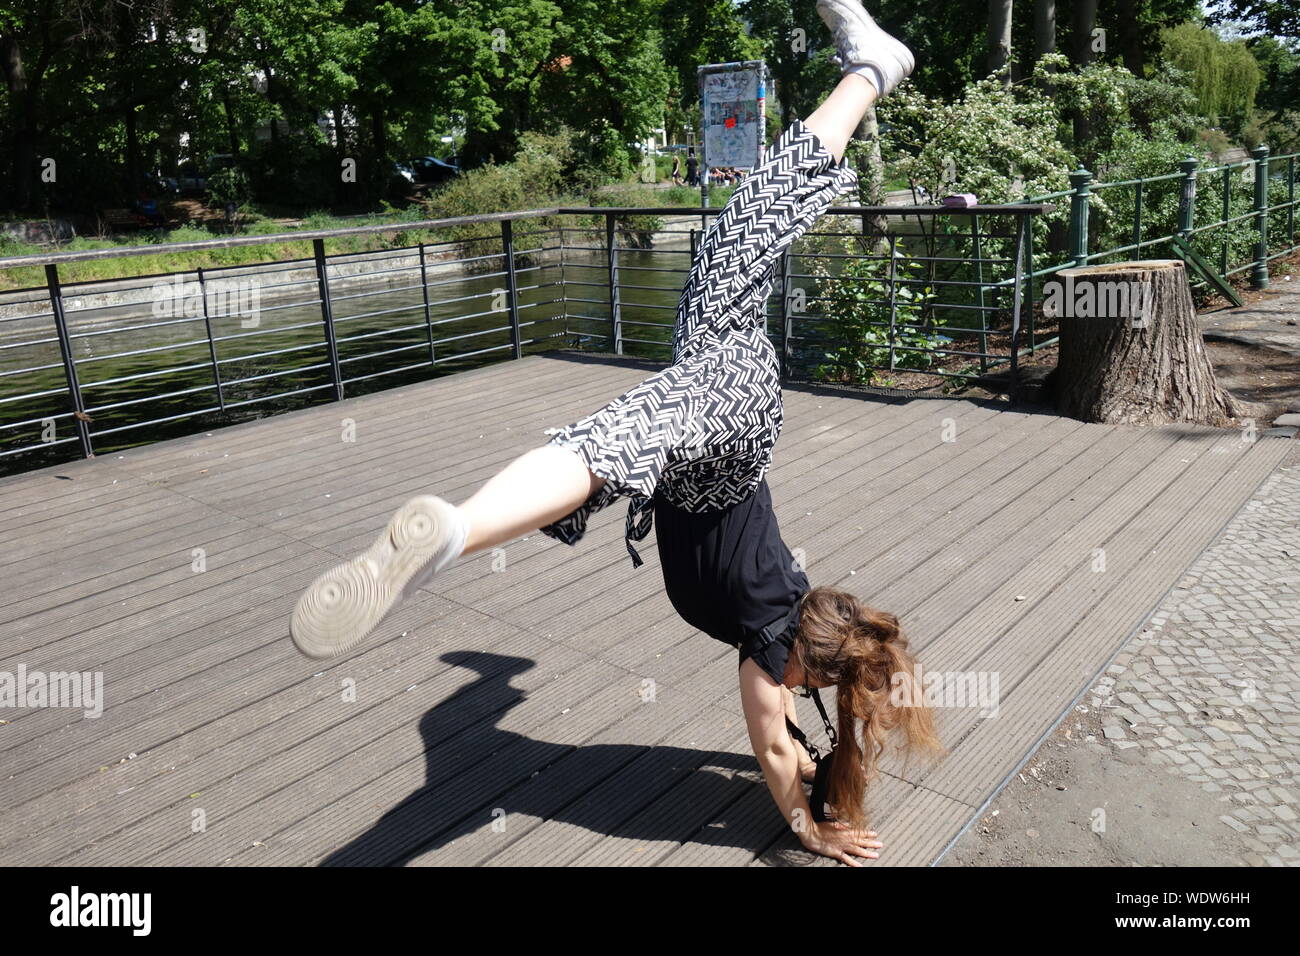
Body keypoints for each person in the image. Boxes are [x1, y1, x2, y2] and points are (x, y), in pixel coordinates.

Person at [290, 0, 940, 867]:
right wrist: (807, 829)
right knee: (627, 434)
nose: (784, 694)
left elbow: (792, 734)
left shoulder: (791, 628)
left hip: (718, 382)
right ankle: (455, 533)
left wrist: (821, 784)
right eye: (802, 682)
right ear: (808, 665)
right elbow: (776, 752)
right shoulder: (768, 654)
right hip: (729, 431)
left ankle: (869, 68)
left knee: (745, 226)